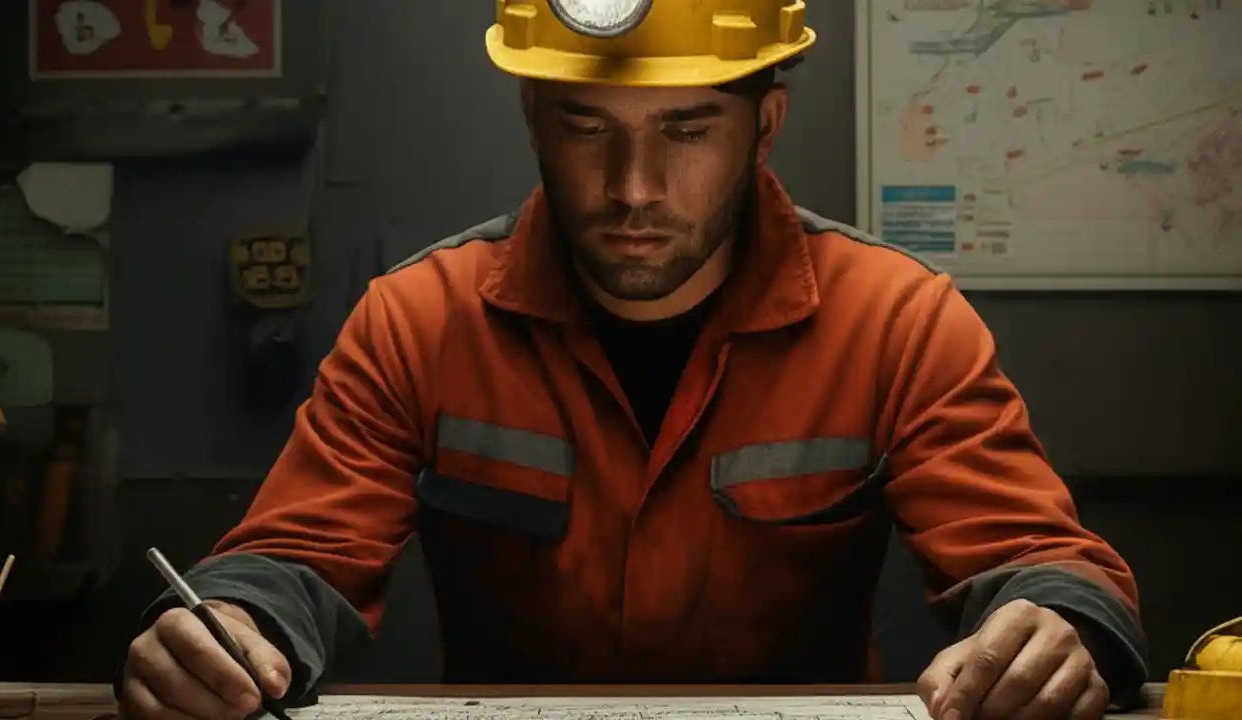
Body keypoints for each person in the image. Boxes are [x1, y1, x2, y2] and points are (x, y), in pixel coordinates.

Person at [117, 2, 1148, 719]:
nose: (634, 186)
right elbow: (294, 554)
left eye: (687, 128)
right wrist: (229, 627)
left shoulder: (894, 319)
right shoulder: (417, 319)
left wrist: (1053, 625)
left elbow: (1046, 563)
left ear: (764, 126)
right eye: (585, 127)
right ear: (532, 120)